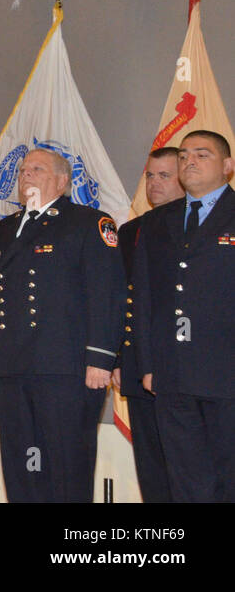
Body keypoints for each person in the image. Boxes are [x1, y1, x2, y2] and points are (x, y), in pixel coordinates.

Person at [0, 147, 125, 502]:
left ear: (62, 182)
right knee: (21, 466)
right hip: (15, 367)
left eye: (37, 169)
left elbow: (107, 292)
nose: (26, 174)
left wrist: (101, 358)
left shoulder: (88, 223)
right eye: (22, 170)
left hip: (67, 367)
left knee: (65, 467)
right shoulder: (4, 229)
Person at [131, 130, 235, 502]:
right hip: (172, 373)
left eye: (202, 155)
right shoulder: (158, 221)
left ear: (228, 166)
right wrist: (148, 363)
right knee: (185, 481)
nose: (189, 161)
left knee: (228, 478)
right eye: (185, 155)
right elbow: (144, 296)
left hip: (227, 374)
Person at [116, 147, 182, 502]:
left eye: (165, 176)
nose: (154, 184)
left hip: (185, 369)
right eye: (150, 176)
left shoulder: (198, 227)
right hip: (138, 363)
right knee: (151, 468)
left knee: (187, 468)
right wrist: (115, 359)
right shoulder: (131, 231)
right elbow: (120, 298)